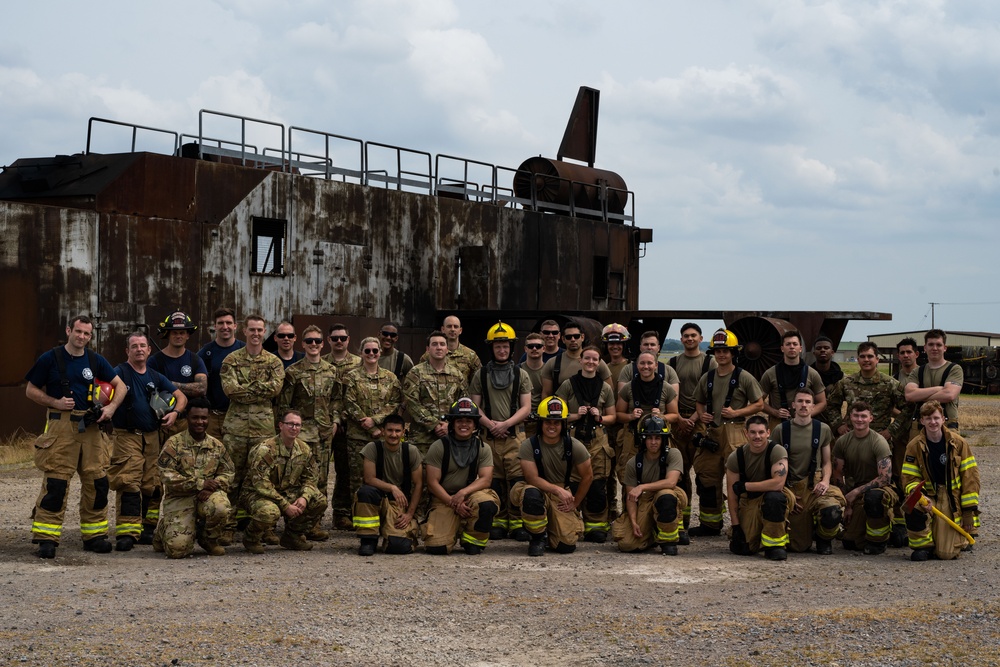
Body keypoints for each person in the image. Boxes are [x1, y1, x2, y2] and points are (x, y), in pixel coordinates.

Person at [24, 315, 127, 558]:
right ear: (69, 330)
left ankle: (95, 536)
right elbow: (30, 390)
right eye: (78, 331)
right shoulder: (50, 358)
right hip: (61, 427)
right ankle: (46, 539)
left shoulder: (95, 360)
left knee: (97, 483)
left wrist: (110, 409)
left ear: (91, 336)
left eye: (87, 334)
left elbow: (121, 386)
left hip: (91, 428)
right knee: (56, 483)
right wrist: (55, 402)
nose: (82, 337)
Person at [823, 342, 908, 546]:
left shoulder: (890, 384)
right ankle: (850, 516)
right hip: (853, 442)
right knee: (849, 477)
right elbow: (830, 405)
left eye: (870, 356)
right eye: (862, 356)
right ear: (858, 359)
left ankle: (895, 522)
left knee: (890, 479)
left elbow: (908, 408)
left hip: (881, 442)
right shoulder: (846, 383)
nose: (866, 360)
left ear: (877, 359)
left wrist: (892, 430)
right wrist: (838, 426)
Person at [109, 331, 187, 551]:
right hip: (127, 436)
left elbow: (181, 397)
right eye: (134, 346)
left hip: (152, 437)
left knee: (152, 484)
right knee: (128, 482)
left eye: (143, 345)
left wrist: (175, 414)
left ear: (149, 350)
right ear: (127, 351)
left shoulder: (155, 375)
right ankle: (127, 532)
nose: (139, 349)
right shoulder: (119, 373)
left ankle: (147, 527)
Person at [691, 329, 764, 537]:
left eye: (726, 351)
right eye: (718, 351)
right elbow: (699, 400)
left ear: (733, 353)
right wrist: (701, 414)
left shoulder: (744, 377)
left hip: (735, 431)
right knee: (706, 477)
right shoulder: (708, 377)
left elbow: (759, 403)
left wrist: (737, 412)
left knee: (739, 479)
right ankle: (710, 524)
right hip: (712, 432)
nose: (722, 354)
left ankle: (741, 525)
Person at [220, 314, 285, 543]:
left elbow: (275, 389)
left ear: (264, 332)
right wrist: (259, 389)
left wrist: (246, 389)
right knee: (232, 478)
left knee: (263, 478)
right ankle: (228, 525)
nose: (256, 334)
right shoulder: (231, 360)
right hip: (235, 430)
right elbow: (230, 390)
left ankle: (264, 527)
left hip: (263, 431)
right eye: (252, 330)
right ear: (244, 332)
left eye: (260, 330)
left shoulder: (273, 362)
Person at [469, 322, 532, 541]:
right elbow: (474, 406)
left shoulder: (520, 374)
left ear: (511, 347)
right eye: (498, 346)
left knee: (516, 480)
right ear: (491, 348)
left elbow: (526, 407)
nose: (502, 350)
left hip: (515, 436)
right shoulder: (481, 374)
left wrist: (505, 424)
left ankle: (516, 522)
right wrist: (491, 425)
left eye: (505, 346)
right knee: (493, 480)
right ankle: (497, 520)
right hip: (488, 437)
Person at [276, 324, 338, 540]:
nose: (314, 345)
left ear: (323, 344)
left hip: (323, 433)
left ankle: (314, 524)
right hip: (300, 434)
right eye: (309, 341)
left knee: (321, 479)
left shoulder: (331, 371)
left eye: (317, 341)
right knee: (296, 479)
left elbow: (337, 400)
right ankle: (294, 525)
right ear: (302, 344)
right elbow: (284, 404)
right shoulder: (293, 372)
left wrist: (336, 421)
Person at [512, 396, 594, 557]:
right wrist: (557, 490)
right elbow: (532, 478)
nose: (552, 426)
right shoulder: (529, 445)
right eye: (547, 422)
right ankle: (537, 537)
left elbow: (588, 476)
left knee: (566, 546)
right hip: (537, 487)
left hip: (560, 493)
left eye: (556, 422)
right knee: (531, 495)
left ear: (563, 424)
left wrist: (575, 502)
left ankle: (552, 530)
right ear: (540, 423)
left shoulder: (574, 446)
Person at [901, 400, 980, 561]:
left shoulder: (959, 443)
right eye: (928, 418)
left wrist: (968, 512)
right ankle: (924, 547)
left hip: (951, 498)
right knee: (913, 506)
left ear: (943, 419)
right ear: (922, 421)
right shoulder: (914, 446)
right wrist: (921, 497)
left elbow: (970, 478)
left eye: (936, 418)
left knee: (946, 554)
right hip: (928, 495)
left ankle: (960, 537)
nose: (933, 422)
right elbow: (909, 477)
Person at [154, 398, 234, 558]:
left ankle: (209, 539)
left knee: (221, 507)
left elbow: (228, 472)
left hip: (207, 496)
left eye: (204, 418)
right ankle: (163, 528)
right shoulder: (174, 444)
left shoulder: (216, 445)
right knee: (178, 551)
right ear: (187, 418)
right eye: (195, 417)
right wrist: (200, 484)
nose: (200, 422)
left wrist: (213, 486)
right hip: (180, 498)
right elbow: (165, 474)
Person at [241, 410, 327, 553]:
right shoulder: (266, 449)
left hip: (286, 492)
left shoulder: (304, 449)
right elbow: (261, 484)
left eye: (298, 425)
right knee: (269, 512)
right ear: (281, 425)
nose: (294, 428)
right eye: (290, 424)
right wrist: (285, 505)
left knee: (318, 500)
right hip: (258, 494)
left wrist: (304, 497)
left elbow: (311, 478)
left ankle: (292, 537)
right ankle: (251, 538)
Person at [772, 389, 846, 554]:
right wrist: (786, 492)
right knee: (798, 547)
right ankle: (807, 530)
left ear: (813, 406)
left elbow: (827, 462)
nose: (803, 405)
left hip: (815, 484)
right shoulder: (781, 430)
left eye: (807, 402)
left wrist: (825, 481)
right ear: (793, 405)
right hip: (792, 486)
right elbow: (773, 465)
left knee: (832, 511)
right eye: (800, 401)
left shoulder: (823, 429)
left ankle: (823, 538)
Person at [422, 398, 499, 555]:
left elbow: (486, 479)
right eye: (459, 420)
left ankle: (472, 537)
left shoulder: (483, 448)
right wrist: (453, 502)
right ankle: (452, 526)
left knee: (486, 504)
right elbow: (432, 483)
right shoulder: (439, 446)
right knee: (437, 548)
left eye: (469, 421)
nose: (464, 425)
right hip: (444, 499)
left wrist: (463, 493)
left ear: (475, 424)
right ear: (452, 423)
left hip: (470, 496)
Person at [555, 345, 617, 542]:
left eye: (595, 359)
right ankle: (572, 522)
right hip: (573, 438)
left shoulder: (605, 388)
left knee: (597, 484)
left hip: (597, 439)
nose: (590, 362)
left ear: (599, 363)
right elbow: (555, 414)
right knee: (572, 482)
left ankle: (596, 525)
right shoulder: (568, 385)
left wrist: (600, 417)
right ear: (580, 361)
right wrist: (574, 415)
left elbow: (613, 417)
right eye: (587, 358)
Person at [340, 337, 402, 527]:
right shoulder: (350, 377)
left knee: (382, 477)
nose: (372, 354)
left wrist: (375, 422)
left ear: (380, 353)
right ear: (361, 353)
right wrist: (368, 424)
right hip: (358, 436)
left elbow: (395, 403)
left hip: (383, 437)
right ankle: (360, 519)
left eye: (375, 351)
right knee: (358, 478)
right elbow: (349, 403)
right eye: (367, 351)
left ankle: (384, 516)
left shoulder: (390, 378)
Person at [615, 351, 680, 522]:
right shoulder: (628, 387)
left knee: (664, 473)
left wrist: (663, 416)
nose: (646, 367)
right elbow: (618, 414)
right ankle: (629, 516)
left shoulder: (665, 387)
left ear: (656, 365)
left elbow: (676, 416)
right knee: (627, 476)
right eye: (642, 363)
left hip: (659, 439)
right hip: (632, 438)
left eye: (649, 363)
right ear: (637, 366)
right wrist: (630, 416)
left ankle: (669, 518)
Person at [667, 322, 716, 540]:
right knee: (679, 472)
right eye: (685, 335)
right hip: (677, 419)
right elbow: (669, 394)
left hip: (701, 420)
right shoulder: (673, 362)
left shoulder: (710, 362)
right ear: (681, 338)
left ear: (700, 337)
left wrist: (693, 419)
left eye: (693, 335)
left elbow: (713, 393)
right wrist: (679, 419)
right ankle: (682, 520)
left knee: (705, 473)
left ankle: (710, 522)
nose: (689, 339)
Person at [611, 414, 687, 555]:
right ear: (643, 440)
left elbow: (671, 482)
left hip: (666, 494)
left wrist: (642, 487)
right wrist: (633, 522)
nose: (653, 442)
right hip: (644, 502)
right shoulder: (633, 463)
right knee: (627, 544)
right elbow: (631, 497)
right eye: (649, 438)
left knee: (666, 496)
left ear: (663, 439)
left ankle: (668, 540)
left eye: (657, 438)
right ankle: (652, 532)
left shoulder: (673, 454)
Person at [725, 415, 794, 561]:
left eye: (761, 432)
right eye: (753, 432)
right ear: (746, 433)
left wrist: (745, 486)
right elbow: (732, 495)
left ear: (768, 433)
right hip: (750, 501)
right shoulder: (735, 457)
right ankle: (755, 535)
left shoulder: (777, 451)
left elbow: (777, 484)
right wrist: (736, 525)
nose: (757, 436)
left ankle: (775, 545)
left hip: (774, 495)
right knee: (743, 548)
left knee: (774, 498)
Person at [353, 413, 423, 556]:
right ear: (383, 431)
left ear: (404, 432)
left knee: (399, 547)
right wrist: (392, 487)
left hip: (399, 503)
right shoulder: (372, 448)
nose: (393, 434)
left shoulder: (411, 451)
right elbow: (369, 478)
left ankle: (390, 536)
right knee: (366, 492)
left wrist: (410, 514)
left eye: (397, 431)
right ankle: (368, 539)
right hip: (378, 498)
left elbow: (418, 484)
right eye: (390, 430)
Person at [832, 401, 896, 555]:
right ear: (849, 418)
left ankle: (879, 542)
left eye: (863, 416)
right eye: (856, 415)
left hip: (880, 489)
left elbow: (885, 478)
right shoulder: (842, 442)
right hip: (854, 493)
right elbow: (837, 474)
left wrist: (856, 492)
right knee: (850, 543)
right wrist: (846, 504)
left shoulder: (879, 442)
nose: (859, 420)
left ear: (870, 419)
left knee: (874, 498)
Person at [323, 323, 362, 530]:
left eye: (343, 338)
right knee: (320, 471)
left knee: (346, 470)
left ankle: (342, 513)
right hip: (324, 424)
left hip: (349, 425)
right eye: (335, 338)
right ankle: (315, 516)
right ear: (328, 340)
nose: (339, 341)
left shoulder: (358, 363)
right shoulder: (320, 363)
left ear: (348, 340)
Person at [402, 331, 467, 453]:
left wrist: (450, 425)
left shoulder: (457, 374)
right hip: (422, 439)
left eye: (442, 344)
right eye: (435, 344)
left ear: (447, 349)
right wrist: (434, 424)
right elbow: (411, 403)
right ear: (428, 349)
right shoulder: (415, 373)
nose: (438, 347)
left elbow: (463, 404)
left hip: (450, 436)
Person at [147, 310, 207, 439]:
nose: (178, 336)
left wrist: (168, 384)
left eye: (182, 332)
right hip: (161, 422)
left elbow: (202, 388)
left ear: (188, 335)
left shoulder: (195, 360)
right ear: (167, 334)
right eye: (174, 332)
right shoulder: (154, 361)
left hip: (187, 422)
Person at [759, 330, 827, 429]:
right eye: (788, 344)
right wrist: (775, 412)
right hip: (778, 425)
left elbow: (822, 403)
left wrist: (806, 413)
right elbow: (758, 402)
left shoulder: (812, 374)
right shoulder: (770, 374)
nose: (791, 347)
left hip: (804, 425)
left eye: (795, 344)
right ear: (782, 348)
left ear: (800, 348)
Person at [904, 329, 964, 436]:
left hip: (947, 426)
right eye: (931, 344)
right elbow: (909, 395)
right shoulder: (917, 371)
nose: (934, 348)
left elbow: (949, 395)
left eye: (938, 345)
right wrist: (939, 389)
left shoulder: (954, 369)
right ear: (925, 347)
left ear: (945, 348)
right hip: (919, 428)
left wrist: (919, 395)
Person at [197, 307, 245, 439]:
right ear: (215, 326)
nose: (225, 327)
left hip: (238, 417)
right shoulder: (205, 354)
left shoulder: (245, 351)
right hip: (212, 417)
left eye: (229, 323)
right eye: (221, 323)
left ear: (235, 326)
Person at [540, 320, 613, 398]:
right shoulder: (552, 363)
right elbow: (546, 394)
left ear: (582, 337)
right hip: (562, 408)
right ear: (563, 339)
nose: (573, 339)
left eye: (576, 336)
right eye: (569, 337)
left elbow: (609, 393)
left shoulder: (596, 362)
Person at [616, 331, 680, 399]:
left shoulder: (669, 371)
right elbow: (622, 398)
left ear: (658, 348)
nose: (649, 347)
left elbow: (674, 400)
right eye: (646, 344)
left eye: (652, 344)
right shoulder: (627, 370)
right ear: (640, 347)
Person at [419, 315, 481, 385]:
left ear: (460, 330)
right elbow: (419, 376)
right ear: (443, 329)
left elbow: (478, 382)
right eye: (449, 326)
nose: (452, 329)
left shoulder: (470, 355)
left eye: (456, 326)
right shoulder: (429, 355)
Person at [520, 332, 546, 438]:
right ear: (525, 349)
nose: (534, 349)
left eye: (538, 346)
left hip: (543, 422)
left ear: (544, 348)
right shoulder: (517, 371)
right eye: (530, 346)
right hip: (521, 422)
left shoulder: (550, 371)